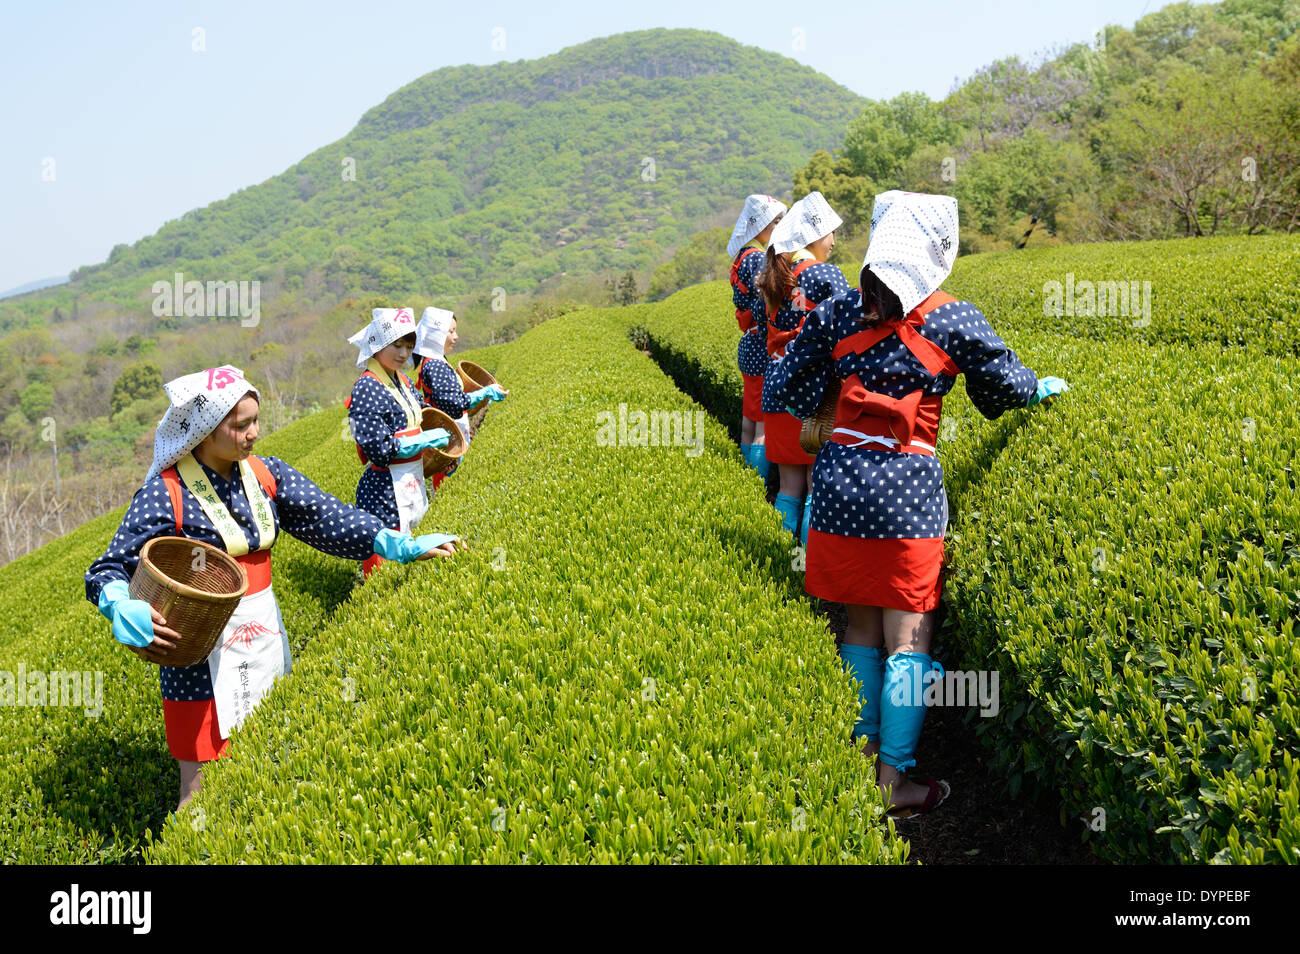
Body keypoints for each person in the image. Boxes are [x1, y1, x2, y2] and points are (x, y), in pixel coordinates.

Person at [768, 191, 1068, 817]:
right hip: (906, 497)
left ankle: (860, 758)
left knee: (859, 628)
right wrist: (1037, 391)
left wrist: (836, 389)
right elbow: (1007, 388)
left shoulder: (838, 312)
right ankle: (894, 781)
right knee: (910, 636)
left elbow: (785, 386)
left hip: (839, 491)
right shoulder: (952, 318)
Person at [85, 365, 463, 809]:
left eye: (255, 421)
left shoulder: (266, 474)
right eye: (240, 425)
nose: (253, 433)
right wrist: (118, 604)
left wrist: (394, 542)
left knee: (270, 750)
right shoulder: (165, 493)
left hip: (263, 630)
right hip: (199, 654)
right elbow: (108, 566)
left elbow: (326, 516)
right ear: (205, 431)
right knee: (201, 780)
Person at [757, 191, 850, 543]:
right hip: (814, 393)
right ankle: (809, 572)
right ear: (815, 234)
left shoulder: (777, 271)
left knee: (788, 488)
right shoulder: (825, 274)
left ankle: (780, 562)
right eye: (831, 233)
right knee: (816, 488)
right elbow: (847, 327)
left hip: (777, 386)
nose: (834, 241)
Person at [346, 307, 455, 579]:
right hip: (384, 489)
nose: (404, 354)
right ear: (378, 344)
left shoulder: (403, 380)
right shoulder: (367, 387)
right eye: (397, 345)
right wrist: (421, 440)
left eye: (409, 346)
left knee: (415, 552)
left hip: (410, 477)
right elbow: (378, 449)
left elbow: (424, 410)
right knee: (387, 565)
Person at [412, 306, 507, 491]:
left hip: (451, 433)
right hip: (449, 437)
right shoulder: (435, 366)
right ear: (436, 334)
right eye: (451, 331)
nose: (456, 337)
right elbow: (454, 404)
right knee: (450, 485)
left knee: (453, 483)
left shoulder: (436, 361)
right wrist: (485, 392)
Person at [727, 194, 786, 479]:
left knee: (748, 418)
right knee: (762, 424)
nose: (778, 227)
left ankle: (745, 474)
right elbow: (764, 303)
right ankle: (757, 484)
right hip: (760, 346)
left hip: (747, 344)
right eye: (775, 222)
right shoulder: (758, 259)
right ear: (760, 225)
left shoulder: (741, 257)